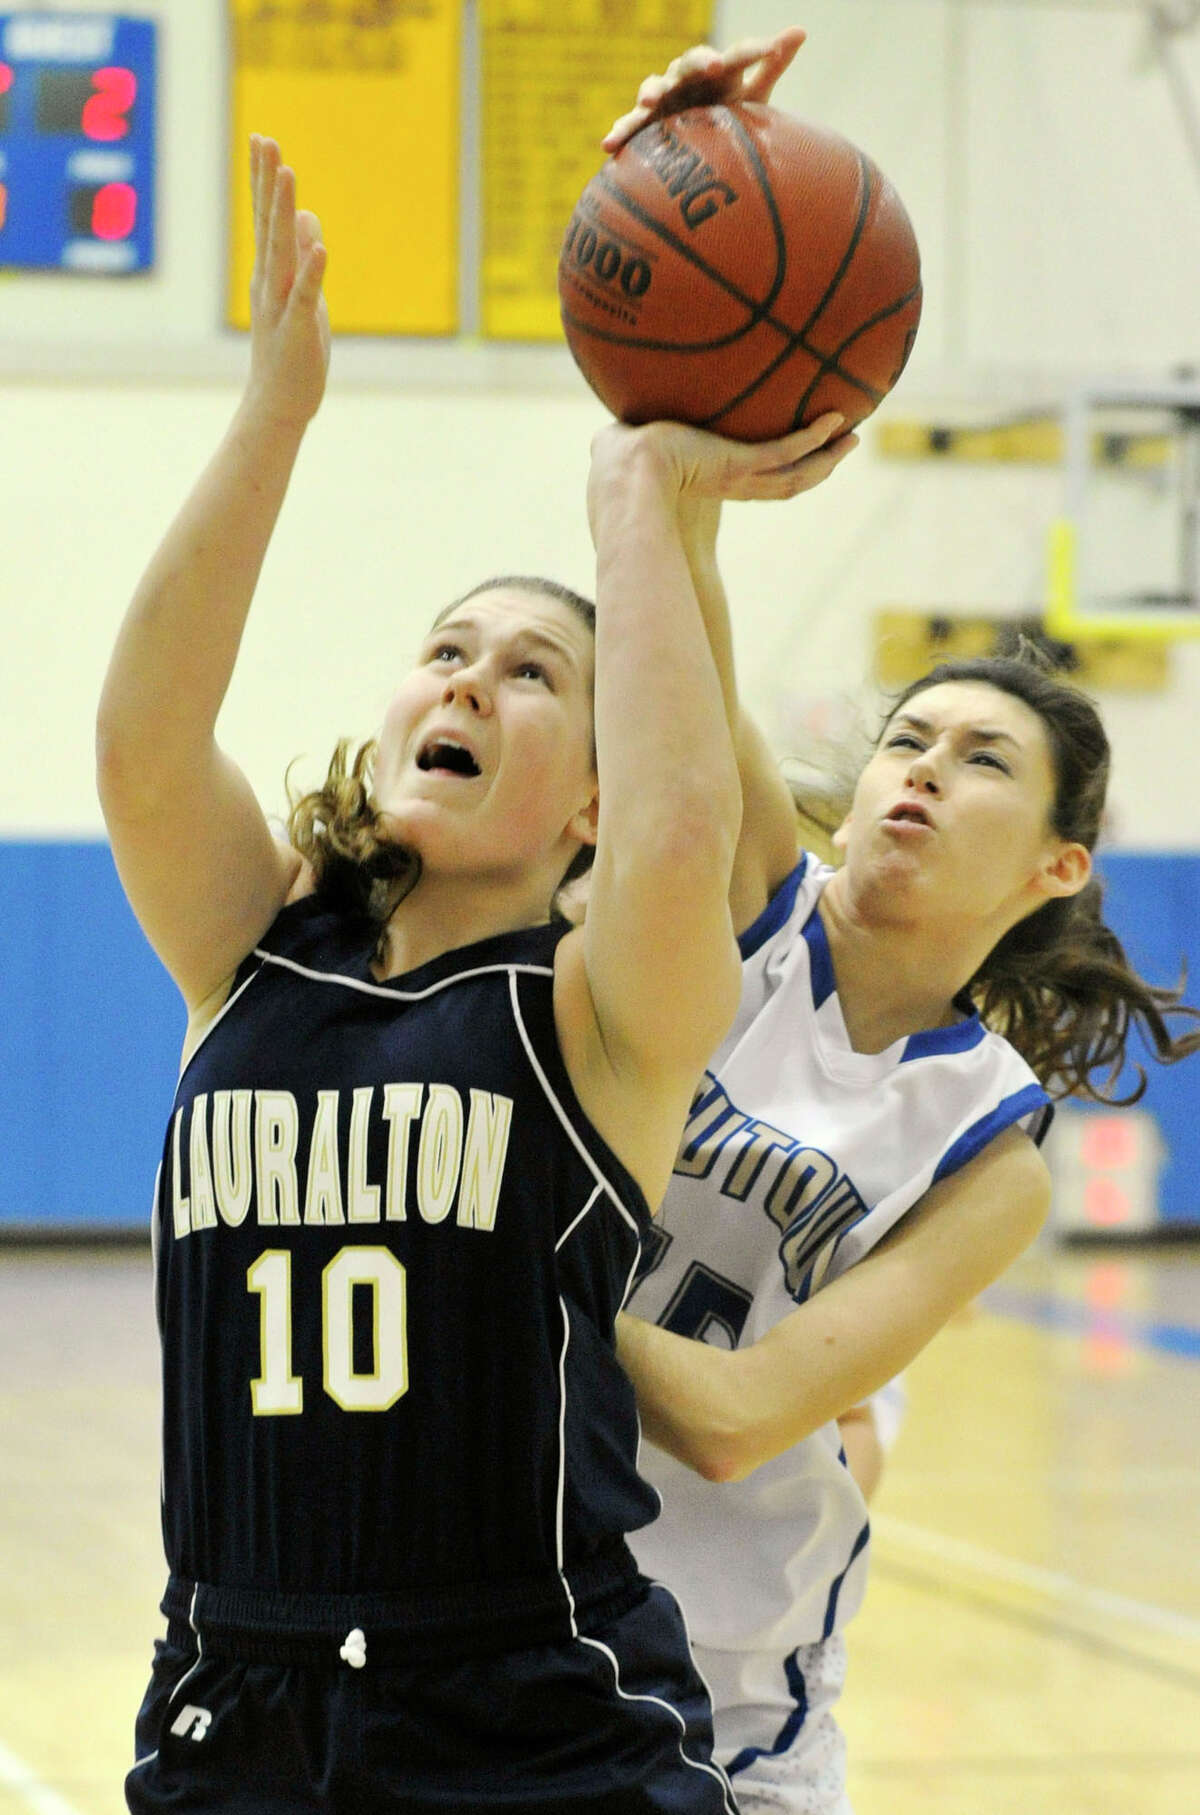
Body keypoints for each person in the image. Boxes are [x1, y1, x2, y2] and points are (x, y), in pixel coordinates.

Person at [97, 134, 854, 1814]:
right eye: (447, 651)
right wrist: (274, 412)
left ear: (585, 793)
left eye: (533, 674)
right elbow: (143, 740)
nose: (471, 679)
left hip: (531, 1705)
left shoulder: (595, 1014)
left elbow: (678, 832)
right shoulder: (250, 951)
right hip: (237, 1692)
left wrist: (635, 492)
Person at [604, 30, 1200, 1815]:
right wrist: (675, 202)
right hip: (531, 1634)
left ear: (1058, 867)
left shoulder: (993, 1151)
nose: (921, 774)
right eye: (906, 741)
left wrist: (498, 1266)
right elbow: (674, 574)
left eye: (983, 761)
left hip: (735, 1723)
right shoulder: (729, 913)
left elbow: (730, 1411)